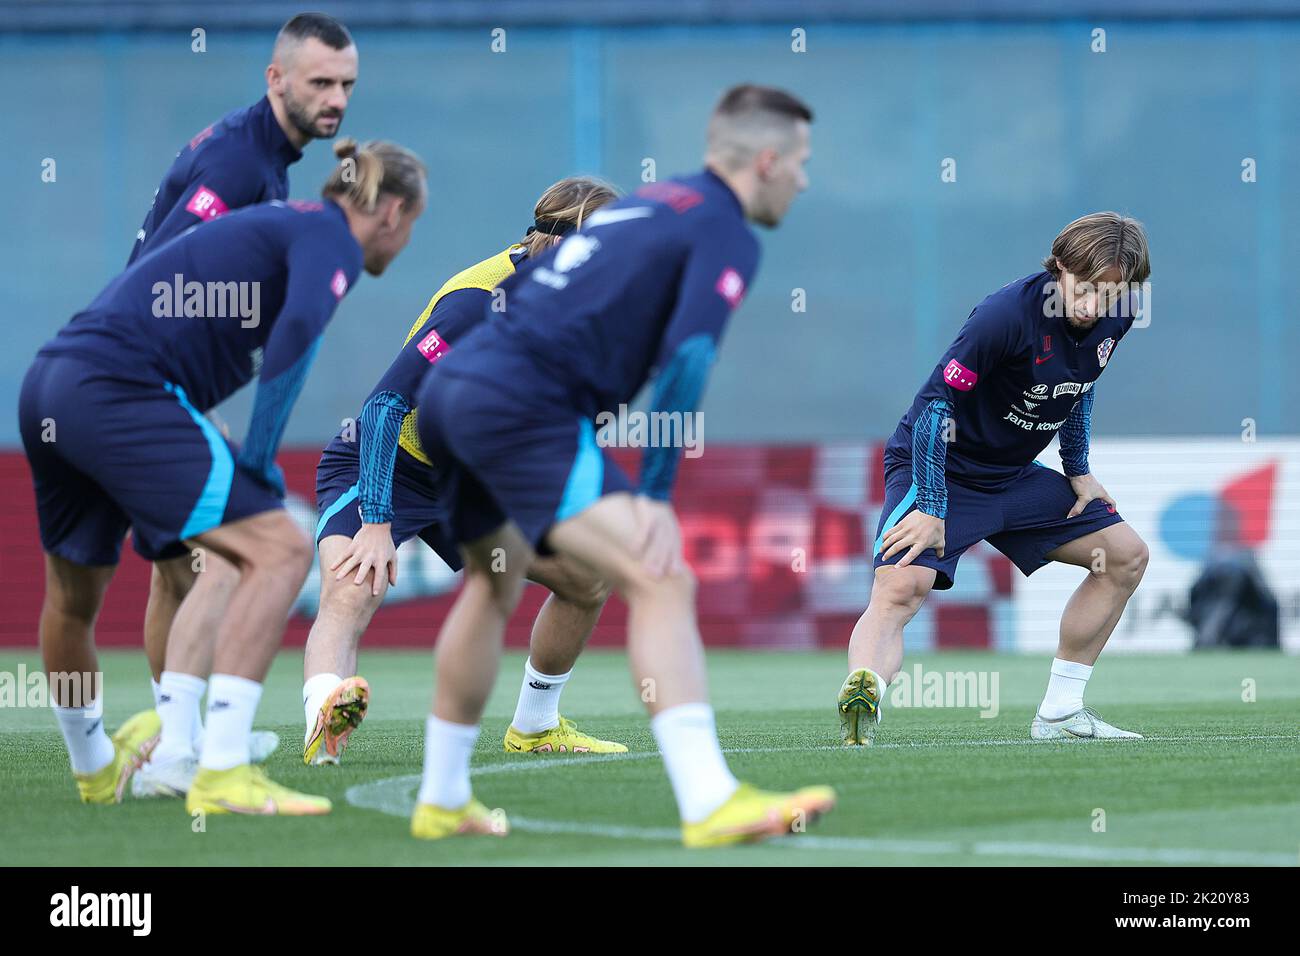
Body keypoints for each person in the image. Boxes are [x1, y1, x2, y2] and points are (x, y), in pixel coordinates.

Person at [410, 84, 835, 848]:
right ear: (766, 161)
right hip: (521, 406)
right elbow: (689, 358)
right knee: (662, 576)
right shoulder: (724, 231)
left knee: (491, 583)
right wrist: (658, 496)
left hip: (451, 393)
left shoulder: (648, 203)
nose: (804, 181)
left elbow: (538, 296)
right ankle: (709, 801)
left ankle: (442, 798)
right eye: (801, 163)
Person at [19, 139, 425, 813]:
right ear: (393, 211)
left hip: (52, 383)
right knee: (280, 548)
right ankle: (220, 769)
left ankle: (106, 769)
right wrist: (262, 460)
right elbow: (296, 337)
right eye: (412, 225)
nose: (405, 240)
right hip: (119, 391)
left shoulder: (287, 224)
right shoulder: (328, 239)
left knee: (83, 594)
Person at [303, 176, 627, 765]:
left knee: (588, 578)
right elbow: (384, 406)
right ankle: (323, 724)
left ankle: (536, 725)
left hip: (469, 475)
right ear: (563, 242)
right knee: (351, 589)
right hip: (387, 461)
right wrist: (376, 523)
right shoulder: (480, 298)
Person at [130, 13, 359, 772]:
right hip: (142, 385)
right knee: (231, 554)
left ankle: (177, 740)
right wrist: (180, 394)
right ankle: (188, 746)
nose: (335, 99)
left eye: (346, 85)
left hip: (144, 383)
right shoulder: (238, 165)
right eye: (320, 82)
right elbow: (158, 279)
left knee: (180, 566)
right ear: (275, 79)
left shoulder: (265, 156)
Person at [838, 212, 1152, 745]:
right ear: (1059, 266)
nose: (1093, 305)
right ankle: (864, 696)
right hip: (942, 466)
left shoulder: (1118, 315)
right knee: (900, 587)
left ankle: (1060, 715)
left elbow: (1080, 385)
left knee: (1125, 556)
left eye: (1110, 293)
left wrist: (1077, 470)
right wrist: (933, 506)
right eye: (1086, 287)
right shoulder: (1004, 316)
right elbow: (937, 407)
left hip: (1013, 477)